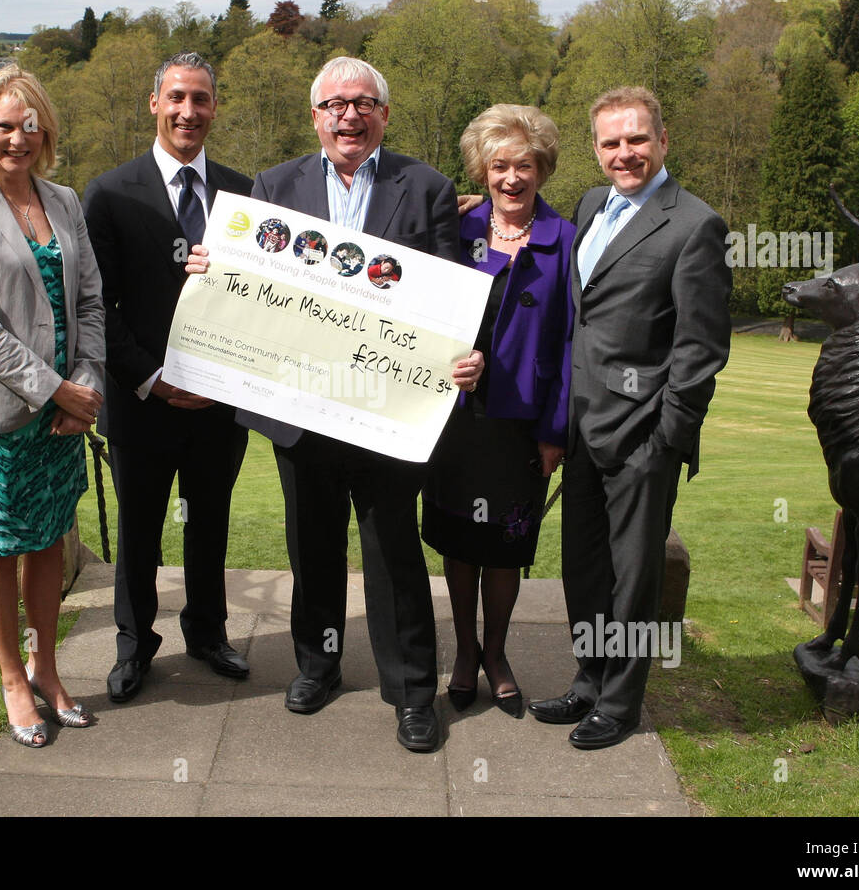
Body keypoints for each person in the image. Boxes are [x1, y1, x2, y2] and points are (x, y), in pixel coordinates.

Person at [188, 57, 482, 752]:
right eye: (335, 104)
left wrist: (463, 356)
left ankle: (412, 690)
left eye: (364, 102)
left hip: (387, 408)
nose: (349, 115)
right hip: (300, 409)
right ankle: (317, 666)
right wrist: (209, 270)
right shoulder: (273, 184)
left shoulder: (429, 187)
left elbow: (446, 295)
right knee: (312, 549)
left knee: (393, 553)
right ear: (315, 115)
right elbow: (247, 284)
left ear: (384, 112)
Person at [528, 86, 730, 749]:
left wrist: (668, 436)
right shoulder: (591, 205)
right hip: (584, 427)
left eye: (637, 139)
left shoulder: (695, 224)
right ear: (596, 148)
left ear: (663, 141)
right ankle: (590, 679)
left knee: (635, 575)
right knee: (585, 567)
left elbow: (701, 347)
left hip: (644, 437)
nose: (625, 153)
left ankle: (621, 703)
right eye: (611, 142)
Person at [0, 65, 105, 747]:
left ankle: (48, 667)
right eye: (4, 125)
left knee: (49, 544)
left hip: (65, 414)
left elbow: (89, 300)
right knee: (1, 549)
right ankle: (11, 678)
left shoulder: (64, 201)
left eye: (29, 125)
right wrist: (52, 389)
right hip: (1, 415)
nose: (16, 138)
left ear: (46, 132)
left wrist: (84, 389)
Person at [82, 53, 253, 703]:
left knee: (209, 523)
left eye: (201, 99)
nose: (189, 111)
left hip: (217, 403)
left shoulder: (243, 194)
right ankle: (134, 646)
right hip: (141, 401)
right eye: (177, 97)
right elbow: (98, 307)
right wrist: (152, 378)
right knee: (139, 532)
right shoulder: (110, 193)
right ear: (154, 103)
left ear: (214, 108)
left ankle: (207, 634)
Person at [422, 104, 574, 720]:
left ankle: (497, 653)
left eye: (525, 166)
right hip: (455, 419)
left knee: (508, 547)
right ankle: (462, 652)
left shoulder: (565, 240)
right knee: (461, 543)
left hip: (521, 424)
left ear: (542, 170)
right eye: (500, 165)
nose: (512, 178)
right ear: (482, 170)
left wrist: (555, 430)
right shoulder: (454, 229)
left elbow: (571, 340)